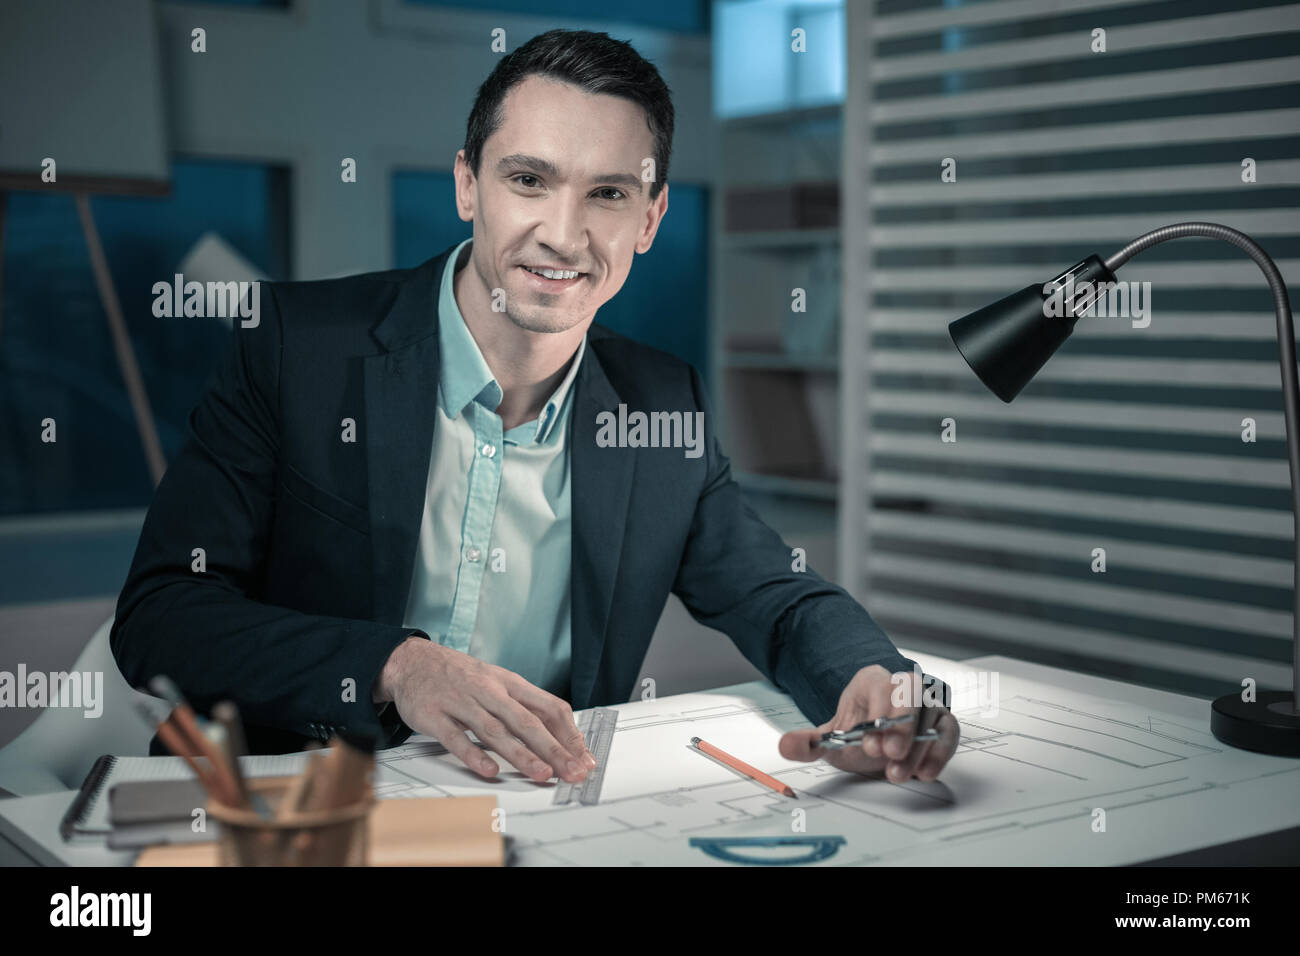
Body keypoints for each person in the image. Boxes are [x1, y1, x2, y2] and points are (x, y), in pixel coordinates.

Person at [111, 29, 959, 788]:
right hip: (291, 814)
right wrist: (397, 667)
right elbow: (163, 616)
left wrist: (881, 682)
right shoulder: (297, 349)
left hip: (538, 821)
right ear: (467, 185)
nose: (563, 233)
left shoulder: (660, 407)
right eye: (529, 179)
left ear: (652, 218)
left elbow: (782, 599)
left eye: (609, 194)